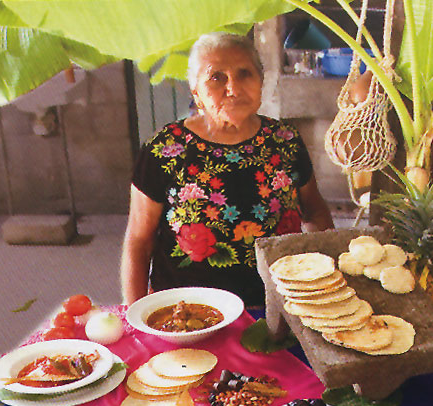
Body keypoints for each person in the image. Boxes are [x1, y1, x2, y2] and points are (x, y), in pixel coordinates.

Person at [121, 32, 334, 307]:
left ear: (261, 83)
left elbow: (314, 209)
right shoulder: (164, 149)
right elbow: (139, 240)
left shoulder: (285, 140)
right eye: (216, 77)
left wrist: (325, 279)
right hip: (186, 312)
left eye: (245, 74)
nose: (233, 88)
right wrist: (136, 316)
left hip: (278, 306)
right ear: (195, 90)